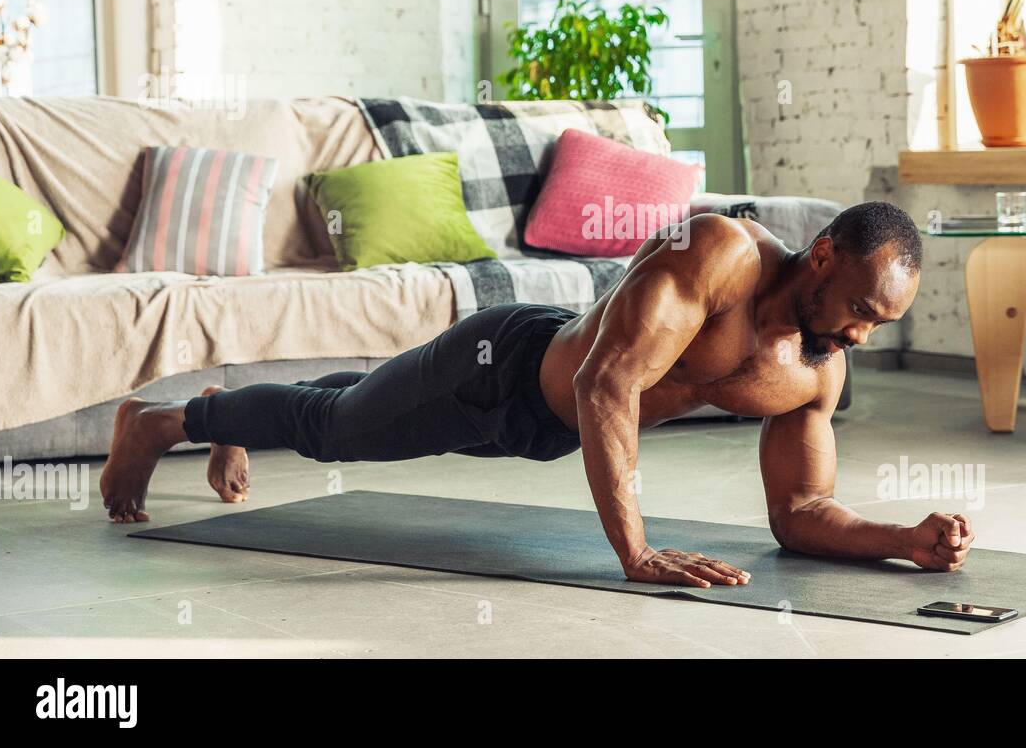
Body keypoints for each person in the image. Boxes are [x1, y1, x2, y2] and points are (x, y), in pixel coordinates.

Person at [101, 201, 975, 587]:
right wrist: (636, 552)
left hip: (545, 433)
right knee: (337, 431)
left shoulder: (817, 368)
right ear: (821, 254)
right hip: (500, 371)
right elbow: (608, 382)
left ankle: (227, 407)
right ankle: (165, 420)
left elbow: (801, 509)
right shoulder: (718, 256)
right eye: (859, 308)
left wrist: (904, 538)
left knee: (359, 405)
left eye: (878, 324)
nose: (860, 334)